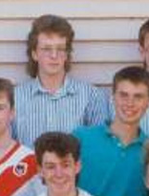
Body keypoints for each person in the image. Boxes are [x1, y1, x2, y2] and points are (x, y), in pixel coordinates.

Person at [12, 14, 110, 148]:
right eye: (46, 49)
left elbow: (98, 148)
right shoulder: (15, 98)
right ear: (34, 53)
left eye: (60, 49)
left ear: (67, 53)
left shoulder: (91, 96)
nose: (54, 56)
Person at [73, 66, 149, 196]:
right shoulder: (81, 138)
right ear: (113, 97)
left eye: (138, 97)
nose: (130, 103)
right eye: (123, 95)